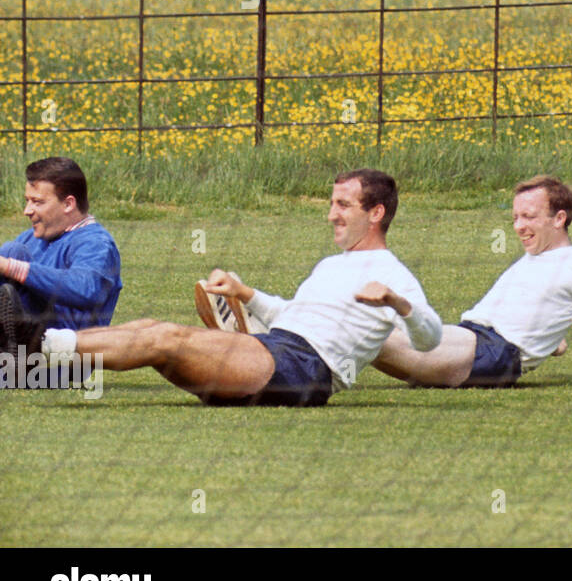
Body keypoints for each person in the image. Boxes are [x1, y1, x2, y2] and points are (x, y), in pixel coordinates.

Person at [0, 169, 441, 407]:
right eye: (331, 204)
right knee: (155, 327)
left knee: (165, 338)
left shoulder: (392, 271)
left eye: (343, 205)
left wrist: (397, 302)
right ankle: (44, 349)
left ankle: (40, 348)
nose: (331, 214)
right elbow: (294, 316)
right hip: (280, 349)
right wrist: (246, 293)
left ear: (377, 212)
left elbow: (429, 338)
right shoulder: (331, 264)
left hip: (305, 370)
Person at [370, 175, 572, 388]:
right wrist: (550, 342)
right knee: (374, 321)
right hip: (470, 338)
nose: (518, 227)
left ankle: (321, 375)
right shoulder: (532, 259)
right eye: (515, 218)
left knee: (368, 334)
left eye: (528, 217)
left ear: (558, 219)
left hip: (491, 353)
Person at [0, 156, 121, 333]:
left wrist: (11, 267)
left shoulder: (96, 243)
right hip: (24, 350)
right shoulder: (30, 238)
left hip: (71, 354)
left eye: (37, 202)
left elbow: (87, 290)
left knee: (12, 253)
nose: (27, 211)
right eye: (27, 200)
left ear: (68, 204)